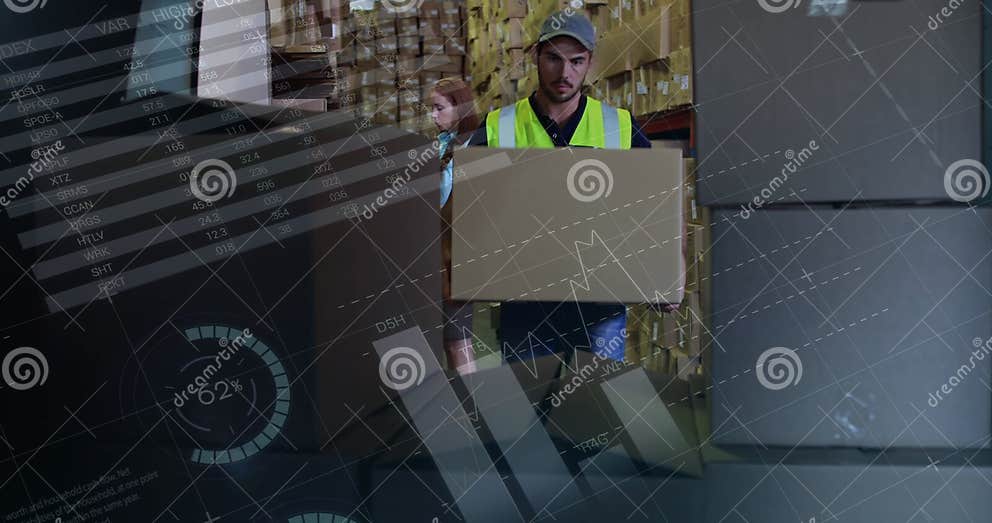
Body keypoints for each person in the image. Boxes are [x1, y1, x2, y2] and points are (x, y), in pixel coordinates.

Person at [466, 11, 676, 363]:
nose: (565, 73)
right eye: (554, 59)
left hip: (601, 308)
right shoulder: (496, 128)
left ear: (590, 63)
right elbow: (467, 210)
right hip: (526, 307)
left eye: (576, 62)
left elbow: (657, 205)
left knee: (596, 412)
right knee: (527, 412)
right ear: (535, 56)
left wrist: (667, 272)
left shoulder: (620, 127)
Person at [429, 77, 480, 374]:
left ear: (459, 108)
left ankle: (473, 406)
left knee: (458, 340)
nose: (433, 116)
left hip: (460, 257)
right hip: (441, 255)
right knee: (451, 340)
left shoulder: (475, 144)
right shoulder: (443, 145)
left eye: (439, 108)